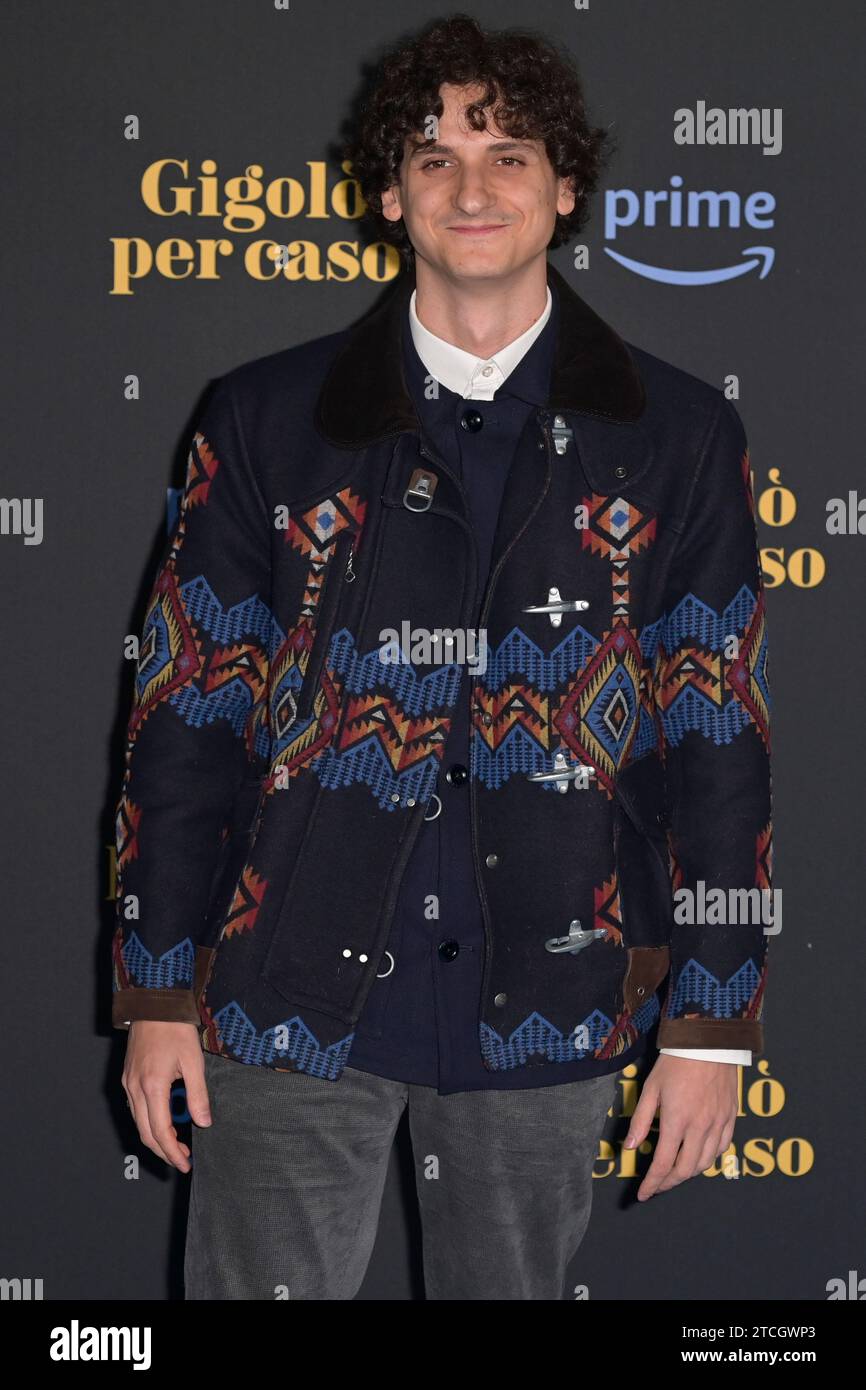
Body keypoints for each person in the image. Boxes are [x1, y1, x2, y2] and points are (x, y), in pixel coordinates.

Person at [112, 14, 773, 1300]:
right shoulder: (264, 420)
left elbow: (718, 737)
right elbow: (188, 720)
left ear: (563, 186)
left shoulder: (679, 434)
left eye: (509, 153)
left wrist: (711, 1026)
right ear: (388, 193)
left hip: (555, 984)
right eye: (433, 156)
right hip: (282, 995)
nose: (472, 187)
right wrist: (154, 991)